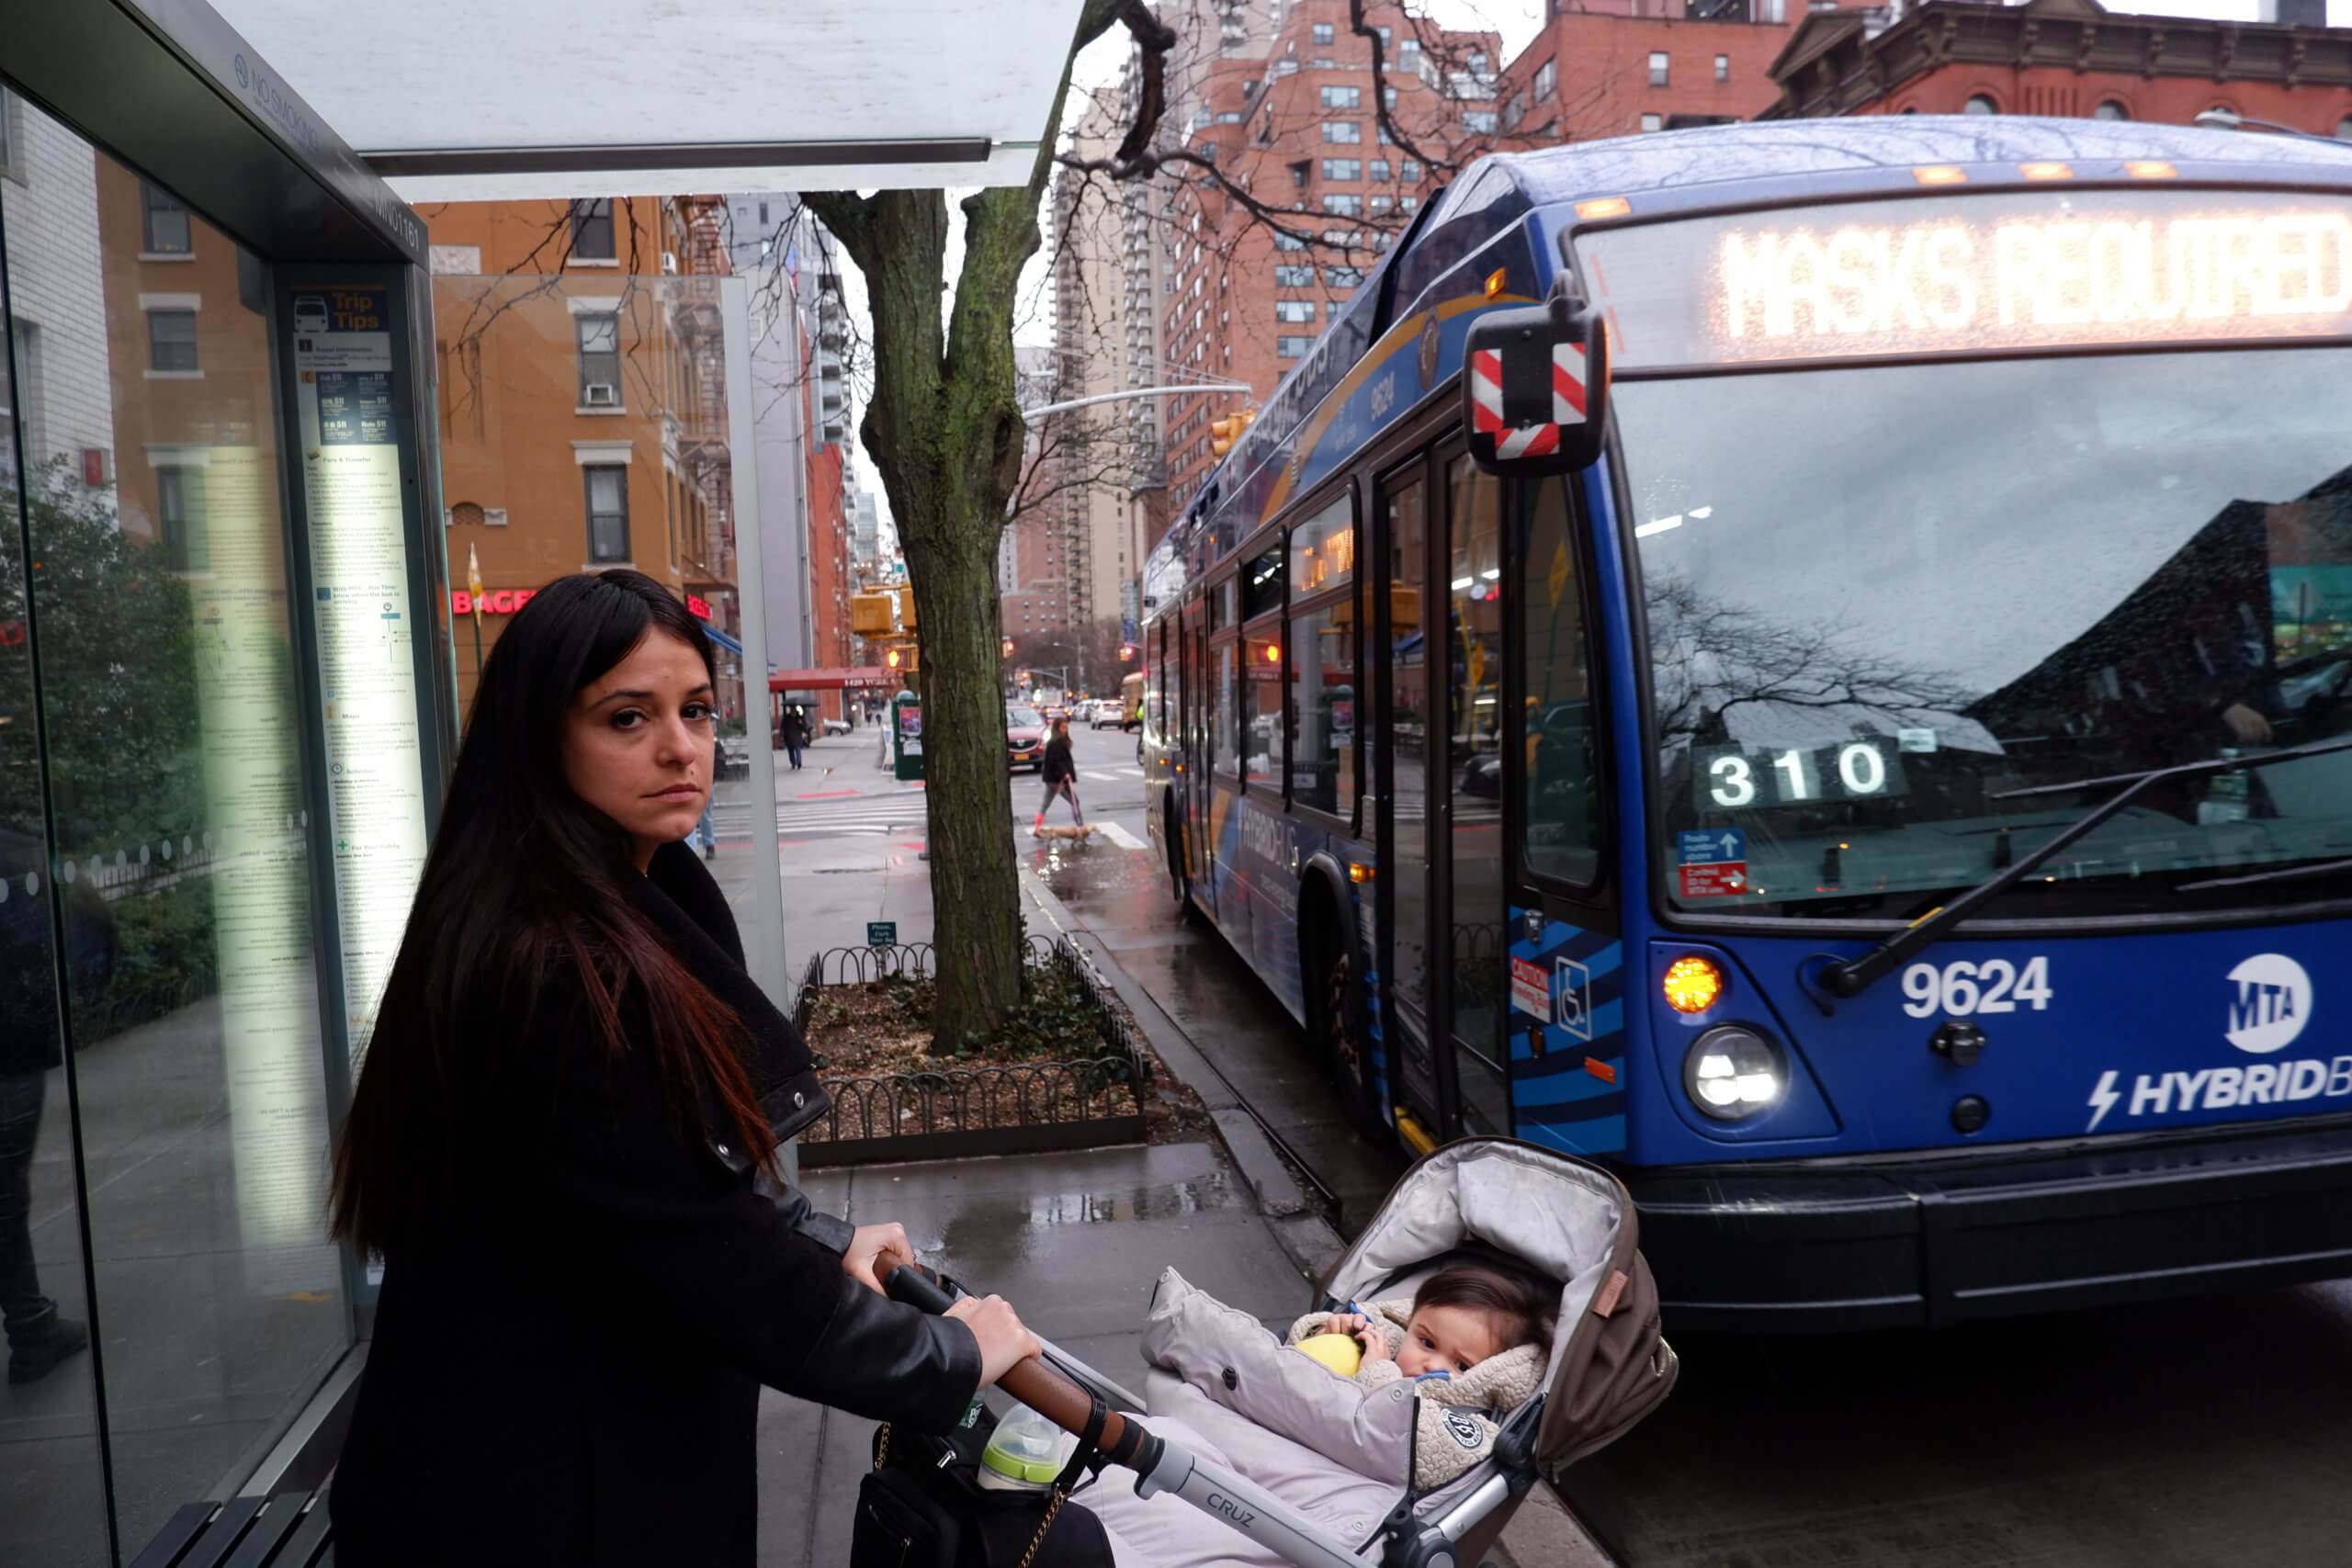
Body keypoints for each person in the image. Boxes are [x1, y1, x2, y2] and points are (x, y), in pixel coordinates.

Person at [326, 570, 1035, 1565]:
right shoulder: (558, 972)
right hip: (539, 1498)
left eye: (696, 710)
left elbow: (663, 1185)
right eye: (628, 717)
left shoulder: (590, 908)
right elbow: (724, 1269)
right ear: (539, 737)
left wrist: (826, 1237)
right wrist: (950, 1355)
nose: (681, 747)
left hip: (545, 1456)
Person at [1034, 716, 1084, 832]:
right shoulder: (1057, 742)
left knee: (1045, 804)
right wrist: (1065, 773)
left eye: (1066, 728)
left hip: (1051, 779)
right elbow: (1057, 761)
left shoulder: (1055, 741)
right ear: (1057, 728)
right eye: (1063, 728)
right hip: (1057, 780)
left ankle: (1037, 828)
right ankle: (1080, 827)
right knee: (1074, 801)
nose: (1065, 730)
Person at [781, 703, 808, 771]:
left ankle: (799, 763)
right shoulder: (786, 717)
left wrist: (800, 723)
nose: (793, 710)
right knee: (791, 752)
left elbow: (804, 727)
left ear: (795, 709)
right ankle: (793, 763)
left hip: (797, 737)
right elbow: (782, 727)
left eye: (794, 708)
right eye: (791, 708)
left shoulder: (799, 717)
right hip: (789, 737)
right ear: (790, 709)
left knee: (798, 750)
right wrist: (782, 735)